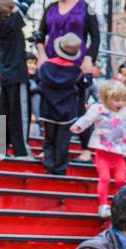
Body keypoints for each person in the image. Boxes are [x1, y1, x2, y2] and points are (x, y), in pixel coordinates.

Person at [36, 0, 100, 164]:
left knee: (79, 104)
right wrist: (41, 55)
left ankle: (86, 149)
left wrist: (89, 58)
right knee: (48, 105)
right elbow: (40, 34)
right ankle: (49, 149)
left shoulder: (86, 8)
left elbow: (95, 37)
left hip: (76, 65)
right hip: (51, 65)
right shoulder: (50, 8)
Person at [71, 79, 126, 217]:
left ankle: (119, 205)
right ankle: (103, 205)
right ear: (106, 98)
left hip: (118, 152)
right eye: (116, 100)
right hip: (102, 151)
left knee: (121, 180)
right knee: (105, 178)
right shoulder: (98, 109)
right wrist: (79, 126)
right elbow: (87, 119)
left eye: (122, 100)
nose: (120, 103)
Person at [0, 0, 36, 159]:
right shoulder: (13, 23)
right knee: (20, 113)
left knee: (4, 112)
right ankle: (21, 150)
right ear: (8, 12)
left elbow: (18, 7)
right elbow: (22, 7)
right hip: (18, 75)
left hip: (7, 76)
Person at [36, 31, 86, 176]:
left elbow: (39, 81)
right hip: (67, 111)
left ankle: (48, 164)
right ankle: (60, 168)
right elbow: (82, 87)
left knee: (49, 139)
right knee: (63, 141)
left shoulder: (45, 67)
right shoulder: (76, 71)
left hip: (48, 109)